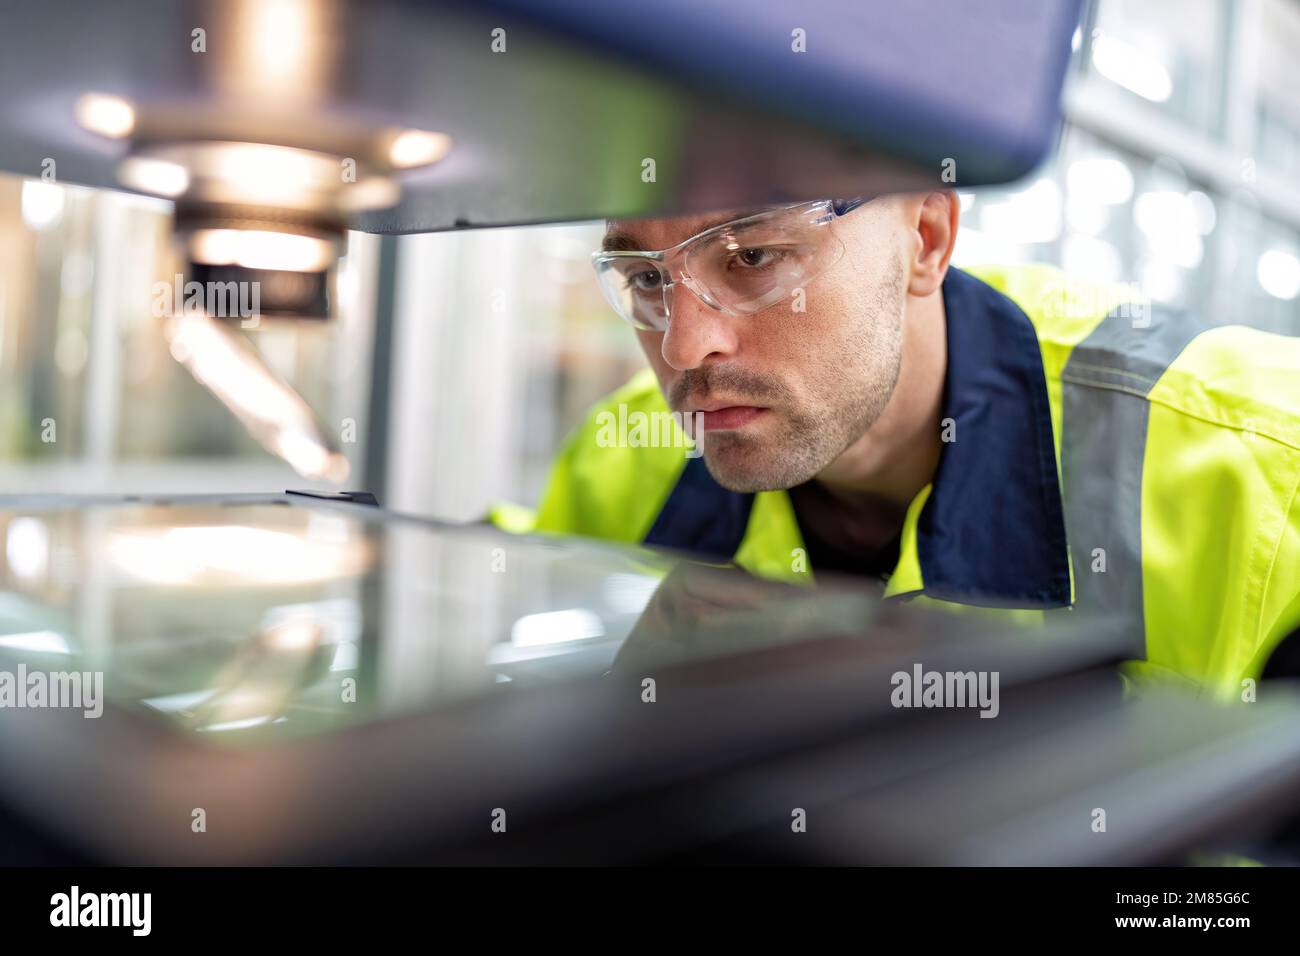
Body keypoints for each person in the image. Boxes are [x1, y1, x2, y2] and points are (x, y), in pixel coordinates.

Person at [493, 192, 1300, 694]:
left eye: (754, 256)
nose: (683, 347)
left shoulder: (1266, 467)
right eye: (645, 278)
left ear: (926, 236)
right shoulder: (623, 452)